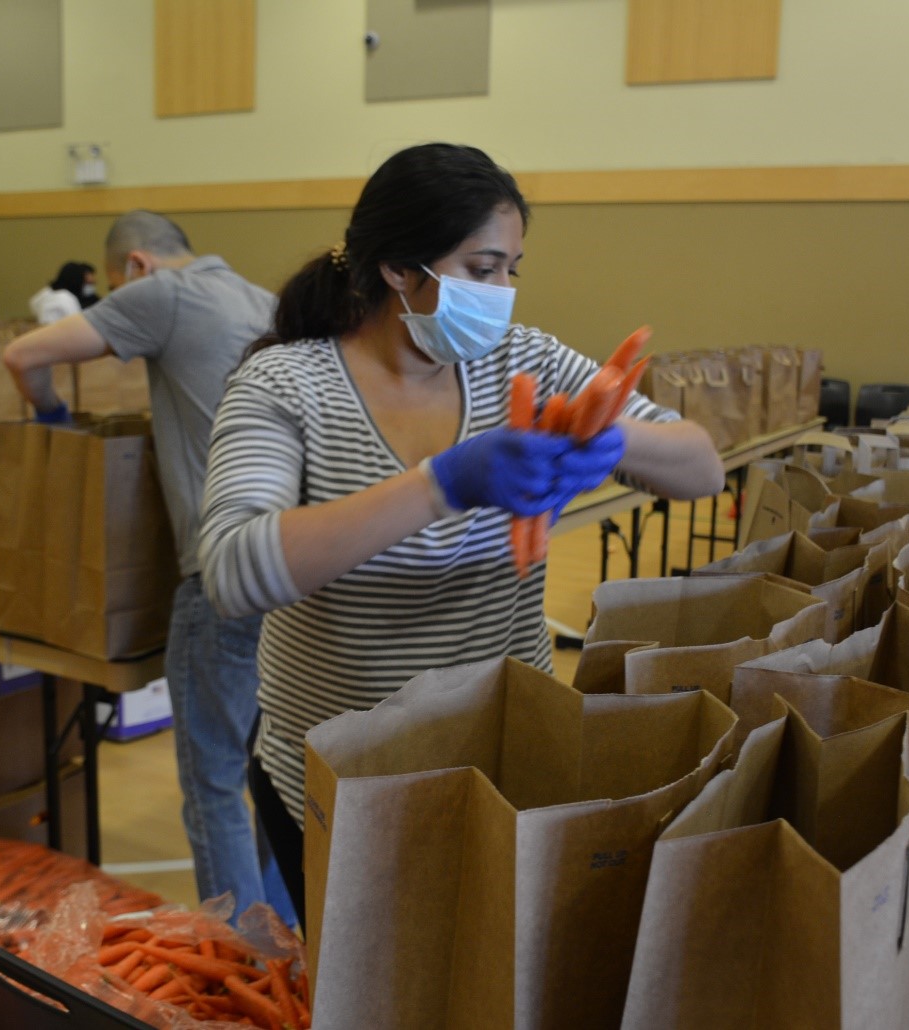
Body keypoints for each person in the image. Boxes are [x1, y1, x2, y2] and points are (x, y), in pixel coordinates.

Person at [197, 143, 725, 923]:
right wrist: (442, 484)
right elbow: (233, 571)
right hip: (341, 776)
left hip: (503, 760)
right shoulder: (288, 383)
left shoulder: (523, 358)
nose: (503, 292)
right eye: (482, 269)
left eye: (512, 268)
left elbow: (703, 467)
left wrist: (609, 441)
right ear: (398, 270)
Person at [2, 211, 293, 921]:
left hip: (220, 578)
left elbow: (25, 356)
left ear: (135, 265)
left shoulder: (164, 294)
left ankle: (242, 965)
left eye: (110, 286)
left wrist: (48, 421)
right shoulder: (261, 299)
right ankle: (287, 941)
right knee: (278, 771)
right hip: (294, 570)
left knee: (213, 779)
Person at [28, 261, 99, 324]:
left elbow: (33, 304)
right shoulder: (66, 297)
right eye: (87, 283)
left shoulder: (46, 293)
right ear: (77, 281)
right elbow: (76, 324)